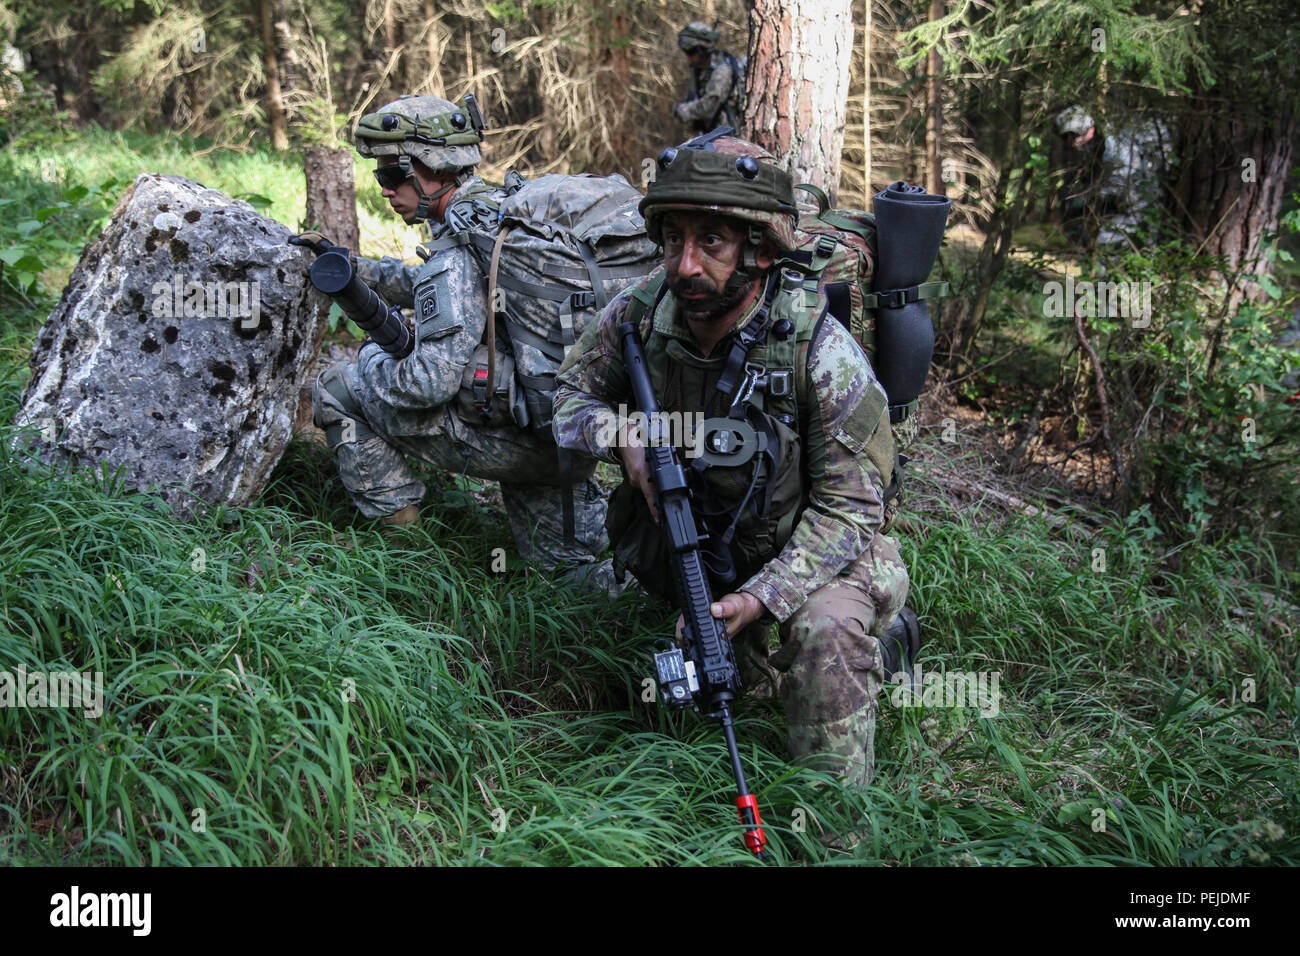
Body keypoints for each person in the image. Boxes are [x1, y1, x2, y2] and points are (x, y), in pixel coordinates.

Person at [553, 131, 914, 791]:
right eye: (673, 241)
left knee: (825, 632)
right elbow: (569, 400)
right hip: (705, 542)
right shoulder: (639, 314)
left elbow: (852, 508)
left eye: (710, 243)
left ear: (761, 252)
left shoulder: (819, 352)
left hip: (813, 551)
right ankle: (742, 647)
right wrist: (621, 436)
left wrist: (761, 598)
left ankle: (831, 824)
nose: (684, 265)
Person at [310, 94, 609, 589]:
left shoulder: (457, 248)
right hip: (566, 435)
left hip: (517, 440)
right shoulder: (499, 214)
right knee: (572, 582)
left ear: (430, 168)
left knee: (339, 390)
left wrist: (372, 360)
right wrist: (355, 270)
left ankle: (409, 567)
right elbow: (440, 284)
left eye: (390, 175)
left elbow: (427, 383)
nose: (383, 190)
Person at [1054, 105, 1173, 253]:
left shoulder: (1112, 144)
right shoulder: (1091, 147)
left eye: (1074, 135)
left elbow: (1125, 181)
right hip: (1118, 206)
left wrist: (1094, 198)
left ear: (1090, 128)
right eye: (1066, 137)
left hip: (1134, 205)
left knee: (1109, 248)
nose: (1072, 141)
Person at [672, 22, 743, 134]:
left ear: (702, 50)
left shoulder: (722, 71)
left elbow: (708, 107)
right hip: (711, 135)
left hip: (727, 138)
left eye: (691, 52)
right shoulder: (701, 71)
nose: (688, 57)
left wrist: (684, 110)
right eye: (686, 52)